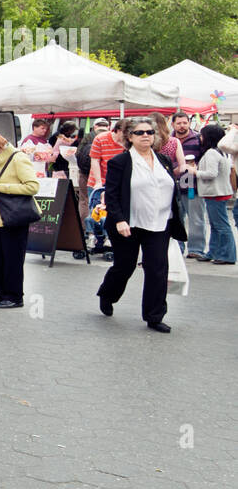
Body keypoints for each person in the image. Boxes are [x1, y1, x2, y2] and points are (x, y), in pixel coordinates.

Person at [96, 118, 187, 332]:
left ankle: (154, 316)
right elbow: (112, 194)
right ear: (129, 137)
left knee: (157, 269)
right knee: (124, 266)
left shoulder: (164, 159)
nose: (145, 135)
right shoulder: (120, 162)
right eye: (139, 132)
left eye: (149, 132)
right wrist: (119, 220)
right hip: (129, 223)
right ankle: (107, 294)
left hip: (159, 222)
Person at [0, 131, 39, 309]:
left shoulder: (18, 159)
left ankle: (15, 296)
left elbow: (32, 186)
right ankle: (0, 291)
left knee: (13, 258)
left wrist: (2, 187)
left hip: (14, 216)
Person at [87, 118, 130, 256]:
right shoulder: (101, 139)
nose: (125, 138)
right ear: (116, 130)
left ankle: (112, 240)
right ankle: (96, 240)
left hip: (118, 181)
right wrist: (98, 181)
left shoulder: (127, 143)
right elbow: (95, 160)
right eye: (123, 135)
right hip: (100, 179)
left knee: (114, 213)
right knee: (96, 212)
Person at [195, 124, 235, 265]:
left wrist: (194, 172)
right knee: (216, 225)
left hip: (215, 193)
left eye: (202, 135)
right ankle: (214, 252)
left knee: (221, 226)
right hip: (219, 192)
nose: (200, 138)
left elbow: (211, 174)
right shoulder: (222, 152)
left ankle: (227, 255)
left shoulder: (212, 152)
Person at [171, 112, 207, 259]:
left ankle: (196, 249)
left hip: (192, 185)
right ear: (173, 124)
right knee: (176, 218)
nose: (182, 126)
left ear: (189, 123)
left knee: (196, 217)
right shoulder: (169, 140)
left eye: (185, 122)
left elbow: (204, 159)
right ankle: (178, 247)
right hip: (173, 185)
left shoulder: (198, 139)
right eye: (179, 123)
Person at [75, 117, 110, 231]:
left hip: (86, 175)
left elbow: (78, 153)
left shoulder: (88, 136)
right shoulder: (110, 138)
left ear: (95, 126)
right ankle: (103, 231)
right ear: (108, 126)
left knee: (85, 200)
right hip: (105, 175)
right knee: (104, 203)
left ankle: (86, 228)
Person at [150, 112, 187, 178]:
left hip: (148, 177)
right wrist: (171, 173)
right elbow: (182, 167)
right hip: (167, 178)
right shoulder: (174, 141)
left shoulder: (146, 141)